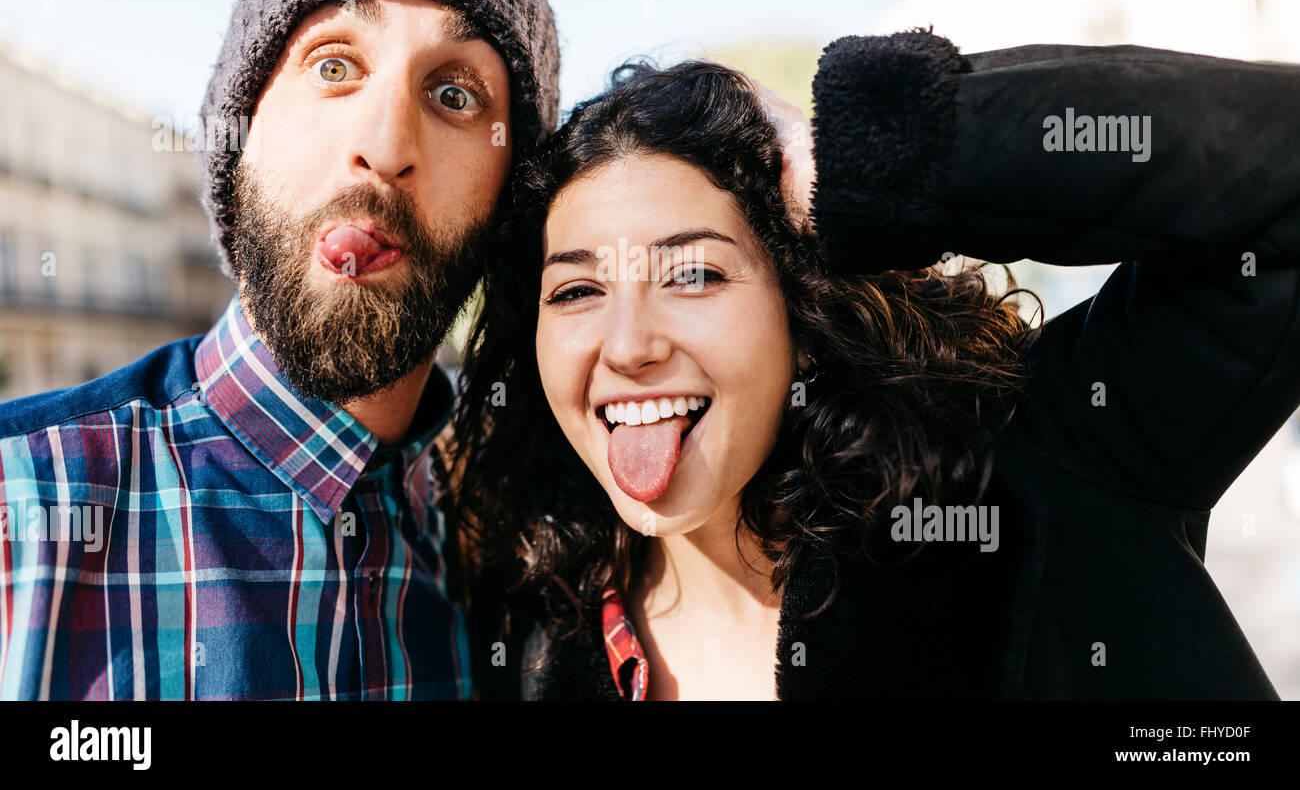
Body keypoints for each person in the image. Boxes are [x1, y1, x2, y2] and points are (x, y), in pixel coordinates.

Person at [455, 35, 1300, 700]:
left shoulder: (1044, 475)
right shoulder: (520, 642)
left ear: (800, 301)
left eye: (695, 274)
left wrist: (866, 154)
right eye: (574, 291)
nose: (628, 344)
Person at [0, 0, 559, 699]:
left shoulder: (528, 567)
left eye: (454, 95)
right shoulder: (21, 505)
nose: (384, 145)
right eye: (334, 66)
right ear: (239, 136)